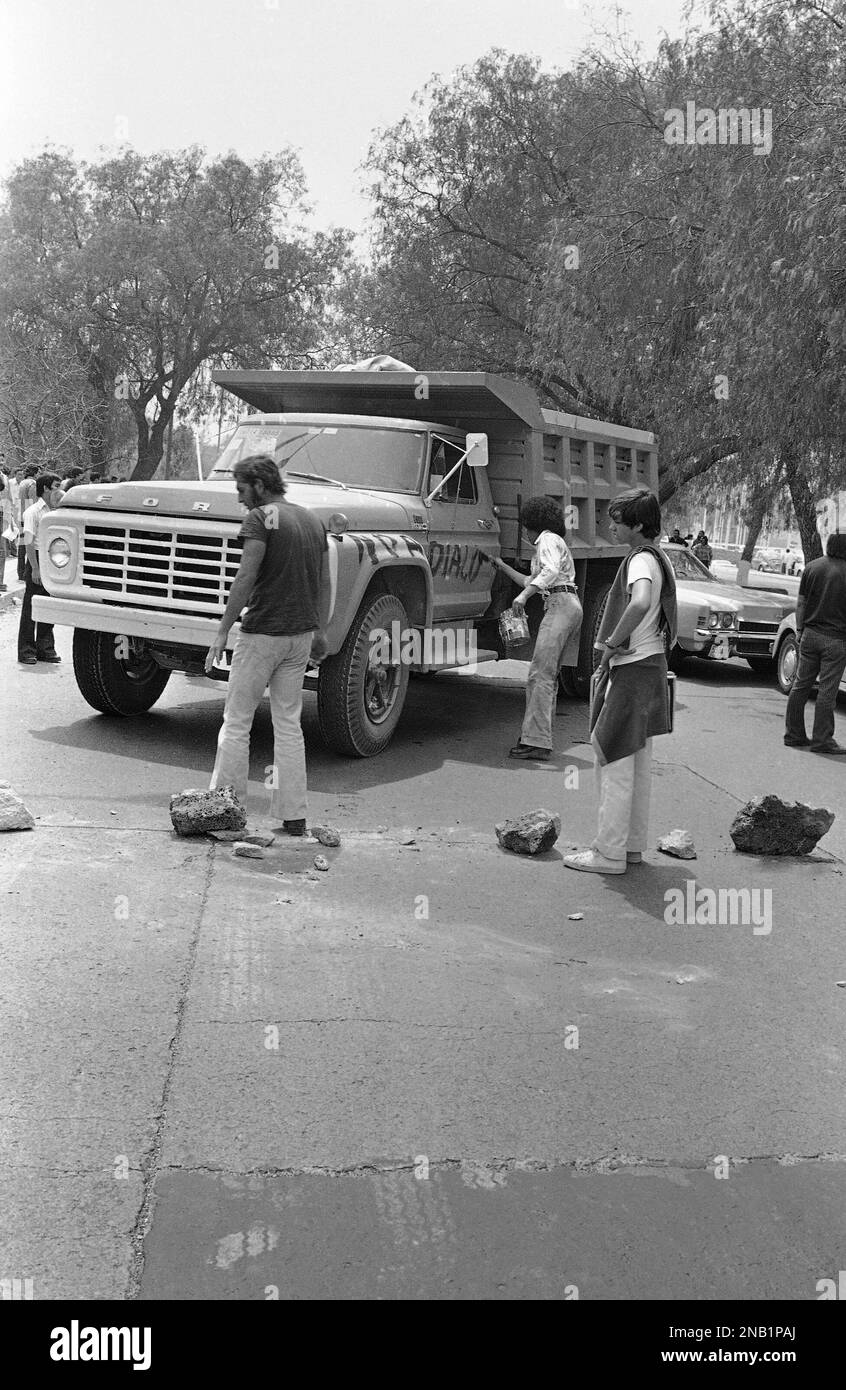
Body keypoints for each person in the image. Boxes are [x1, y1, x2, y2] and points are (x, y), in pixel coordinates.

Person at [205, 454, 330, 833]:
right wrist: (320, 631)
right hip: (300, 637)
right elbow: (324, 582)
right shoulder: (311, 519)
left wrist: (223, 629)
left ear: (259, 485)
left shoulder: (259, 520)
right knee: (288, 724)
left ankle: (225, 812)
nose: (241, 499)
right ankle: (293, 815)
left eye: (242, 489)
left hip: (262, 634)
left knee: (237, 721)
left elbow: (245, 577)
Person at [564, 488, 677, 874]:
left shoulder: (639, 562)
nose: (609, 527)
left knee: (611, 759)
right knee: (637, 764)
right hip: (652, 667)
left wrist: (612, 643)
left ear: (639, 526)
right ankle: (630, 848)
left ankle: (608, 854)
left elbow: (641, 602)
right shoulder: (661, 560)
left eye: (617, 521)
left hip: (631, 670)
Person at [489, 498, 582, 761]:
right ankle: (539, 738)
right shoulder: (553, 543)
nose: (523, 532)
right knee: (547, 676)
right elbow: (531, 579)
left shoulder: (547, 540)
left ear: (532, 524)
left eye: (524, 526)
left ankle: (536, 742)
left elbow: (548, 573)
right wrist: (502, 566)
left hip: (559, 605)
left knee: (539, 675)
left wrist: (524, 597)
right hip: (568, 604)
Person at [784, 531, 846, 754]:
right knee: (827, 692)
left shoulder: (812, 567)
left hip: (809, 634)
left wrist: (800, 629)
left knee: (800, 686)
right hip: (836, 639)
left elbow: (800, 603)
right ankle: (822, 740)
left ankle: (794, 734)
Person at [17, 472, 64, 664]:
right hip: (37, 558)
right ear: (45, 488)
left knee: (49, 604)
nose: (59, 491)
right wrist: (35, 569)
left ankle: (45, 648)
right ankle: (26, 650)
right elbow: (28, 542)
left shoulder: (58, 511)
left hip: (53, 559)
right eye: (55, 487)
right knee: (32, 606)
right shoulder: (33, 512)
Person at [16, 466, 39, 580]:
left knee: (22, 546)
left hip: (21, 515)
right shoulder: (32, 484)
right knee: (29, 545)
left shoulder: (22, 483)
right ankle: (26, 572)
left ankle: (20, 572)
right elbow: (33, 501)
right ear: (35, 473)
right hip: (28, 517)